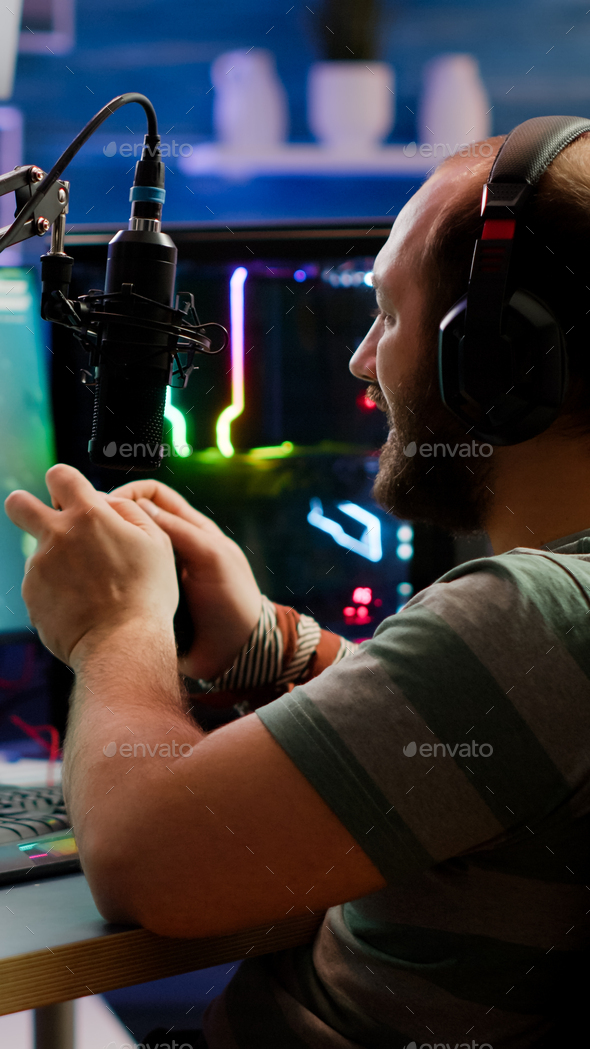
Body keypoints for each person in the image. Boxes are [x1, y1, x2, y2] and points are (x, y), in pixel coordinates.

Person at [5, 129, 590, 1049]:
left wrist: (116, 625)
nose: (362, 359)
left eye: (388, 314)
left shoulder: (535, 615)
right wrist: (274, 647)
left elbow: (147, 861)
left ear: (497, 356)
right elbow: (485, 750)